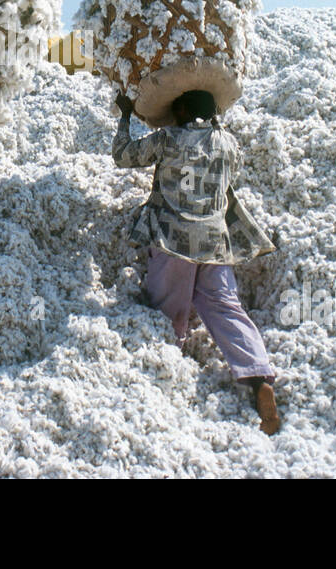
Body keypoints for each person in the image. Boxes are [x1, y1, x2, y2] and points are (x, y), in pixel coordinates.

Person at [112, 88, 282, 435]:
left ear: (184, 110)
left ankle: (163, 385)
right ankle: (257, 375)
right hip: (215, 243)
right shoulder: (228, 144)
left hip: (174, 241)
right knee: (225, 307)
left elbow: (124, 156)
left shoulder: (168, 138)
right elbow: (231, 167)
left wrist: (126, 115)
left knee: (166, 311)